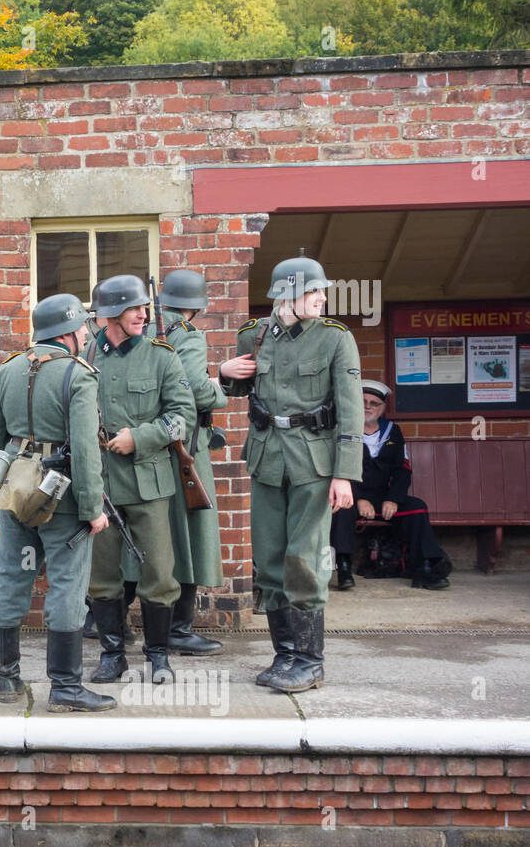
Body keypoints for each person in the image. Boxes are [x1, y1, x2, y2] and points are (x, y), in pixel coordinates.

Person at [220, 254, 364, 693]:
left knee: (305, 558)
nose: (322, 298)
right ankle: (284, 656)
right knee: (269, 560)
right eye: (312, 291)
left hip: (314, 464)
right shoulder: (255, 334)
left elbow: (351, 410)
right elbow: (239, 387)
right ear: (287, 295)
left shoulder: (335, 339)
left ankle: (310, 661)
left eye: (322, 291)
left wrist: (345, 475)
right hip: (267, 459)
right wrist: (225, 374)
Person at [0, 293, 114, 713]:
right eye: (82, 327)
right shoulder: (78, 375)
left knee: (13, 576)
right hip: (64, 501)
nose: (86, 333)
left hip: (16, 493)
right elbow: (85, 449)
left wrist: (3, 491)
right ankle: (65, 687)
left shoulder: (6, 371)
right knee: (67, 585)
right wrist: (93, 507)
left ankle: (7, 680)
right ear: (69, 331)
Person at [81, 274, 195, 685]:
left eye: (144, 307)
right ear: (110, 313)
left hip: (149, 481)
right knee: (102, 575)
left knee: (160, 574)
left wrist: (140, 437)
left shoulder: (162, 356)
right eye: (134, 307)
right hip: (100, 484)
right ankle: (113, 655)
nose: (143, 314)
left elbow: (183, 416)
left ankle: (158, 657)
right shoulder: (85, 356)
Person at [114, 269, 227, 656]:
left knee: (146, 540)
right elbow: (196, 390)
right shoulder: (188, 335)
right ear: (196, 305)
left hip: (157, 451)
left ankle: (108, 622)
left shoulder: (146, 337)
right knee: (188, 537)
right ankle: (177, 628)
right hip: (184, 448)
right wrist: (222, 385)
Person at [330, 380, 450, 590]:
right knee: (341, 509)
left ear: (382, 408)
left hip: (384, 496)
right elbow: (338, 469)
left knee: (417, 507)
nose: (368, 406)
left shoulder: (393, 431)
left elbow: (403, 470)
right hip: (352, 494)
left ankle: (425, 567)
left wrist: (393, 498)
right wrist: (359, 499)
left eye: (374, 403)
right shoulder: (343, 430)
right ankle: (344, 567)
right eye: (364, 401)